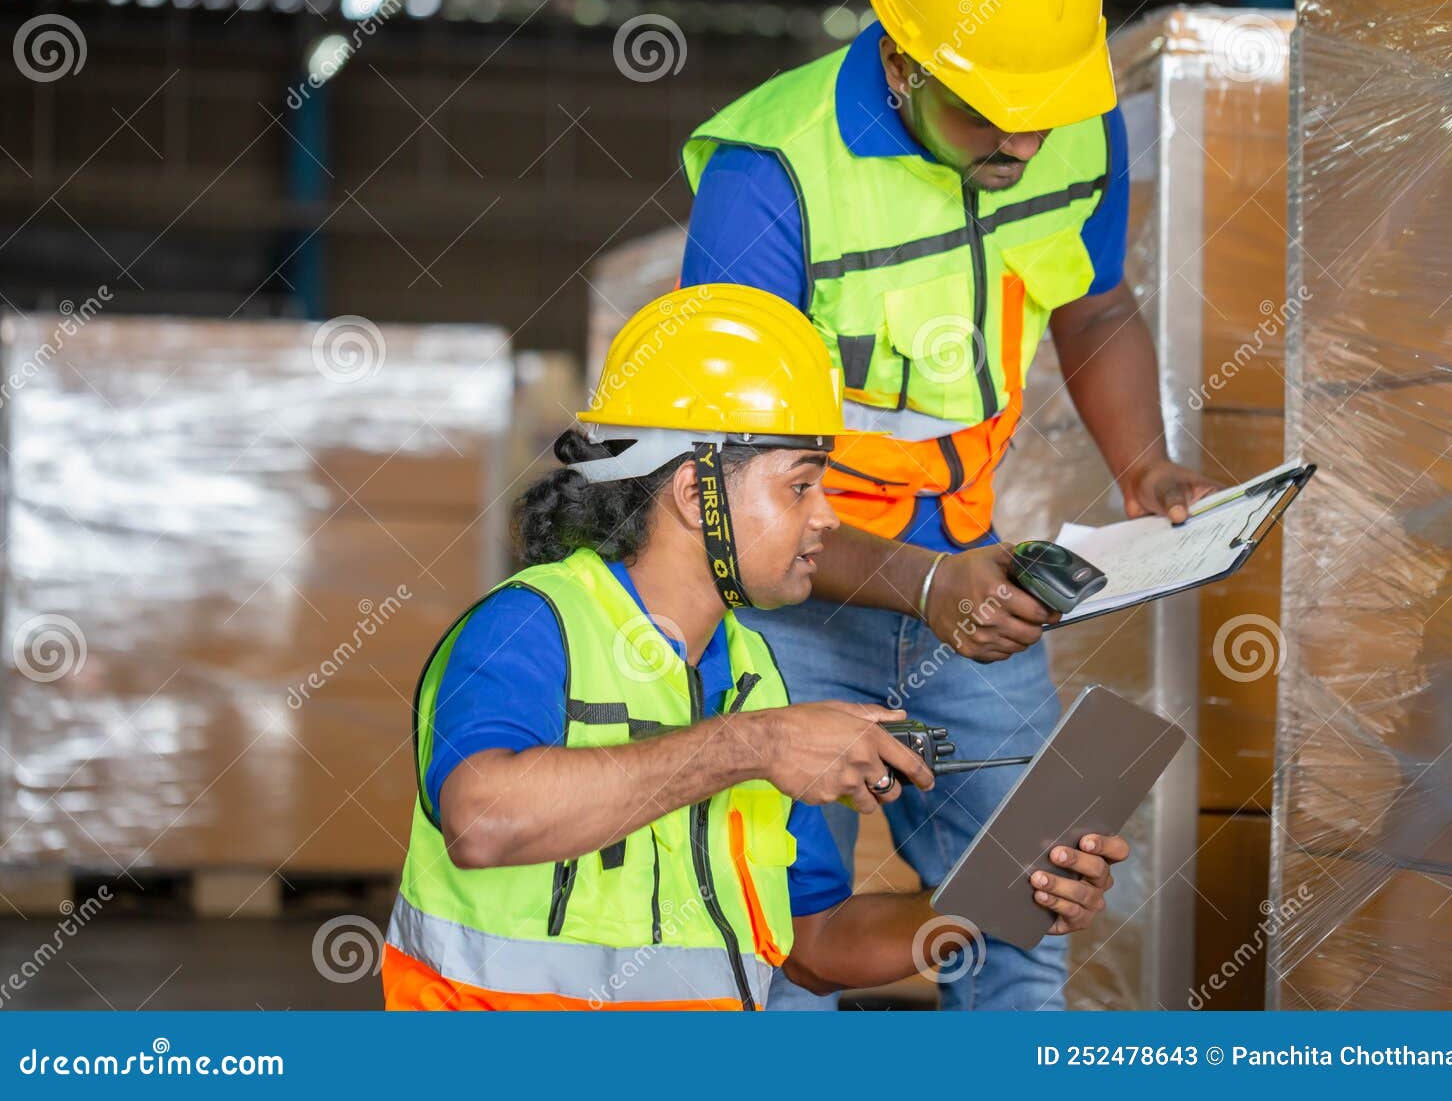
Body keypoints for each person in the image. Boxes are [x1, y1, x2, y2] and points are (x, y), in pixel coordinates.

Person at [678, 0, 1219, 1010]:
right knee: (776, 932)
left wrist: (1144, 465)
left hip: (963, 566)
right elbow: (732, 488)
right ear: (900, 65)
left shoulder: (1074, 127)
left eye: (1043, 114)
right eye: (987, 114)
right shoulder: (771, 173)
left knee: (1025, 905)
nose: (1023, 141)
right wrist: (926, 584)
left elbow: (1095, 300)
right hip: (784, 592)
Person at [381, 283, 1130, 1010]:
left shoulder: (753, 673)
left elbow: (815, 946)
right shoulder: (531, 626)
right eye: (800, 486)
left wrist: (993, 895)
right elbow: (483, 822)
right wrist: (754, 745)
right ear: (694, 493)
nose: (827, 517)